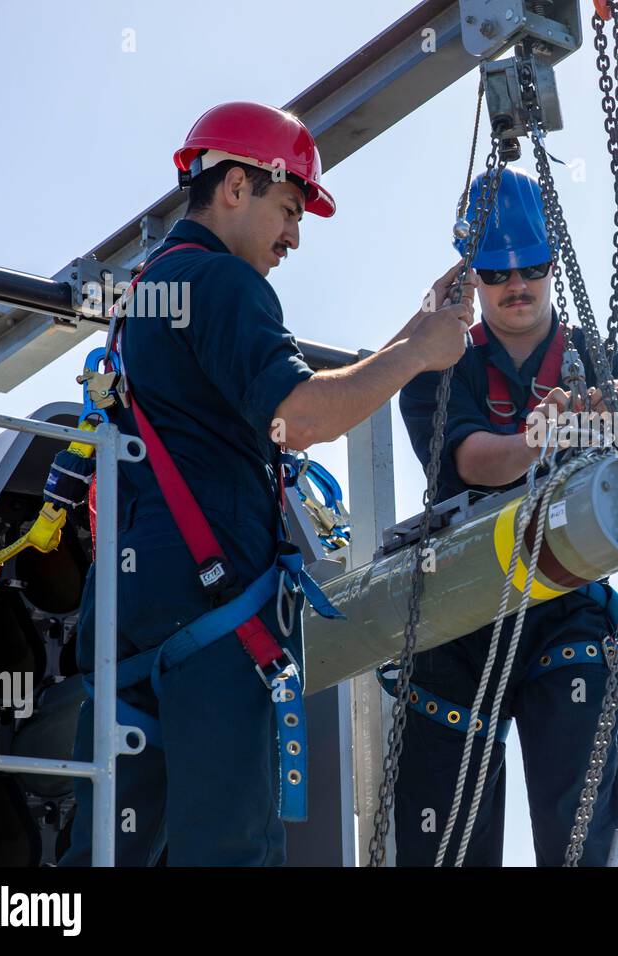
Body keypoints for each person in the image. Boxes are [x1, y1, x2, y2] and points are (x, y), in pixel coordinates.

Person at [59, 101, 474, 866]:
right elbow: (299, 418)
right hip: (214, 627)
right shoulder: (224, 282)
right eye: (289, 209)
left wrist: (416, 333)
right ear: (237, 188)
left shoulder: (150, 292)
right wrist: (418, 359)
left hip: (127, 631)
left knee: (109, 859)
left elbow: (267, 400)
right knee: (230, 854)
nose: (292, 237)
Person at [394, 166, 618, 866]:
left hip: (566, 610)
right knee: (446, 846)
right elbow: (469, 460)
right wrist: (546, 439)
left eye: (532, 267)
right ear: (472, 279)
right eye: (498, 274)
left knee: (578, 837)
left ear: (552, 263)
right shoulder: (442, 366)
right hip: (460, 619)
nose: (518, 285)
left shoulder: (596, 359)